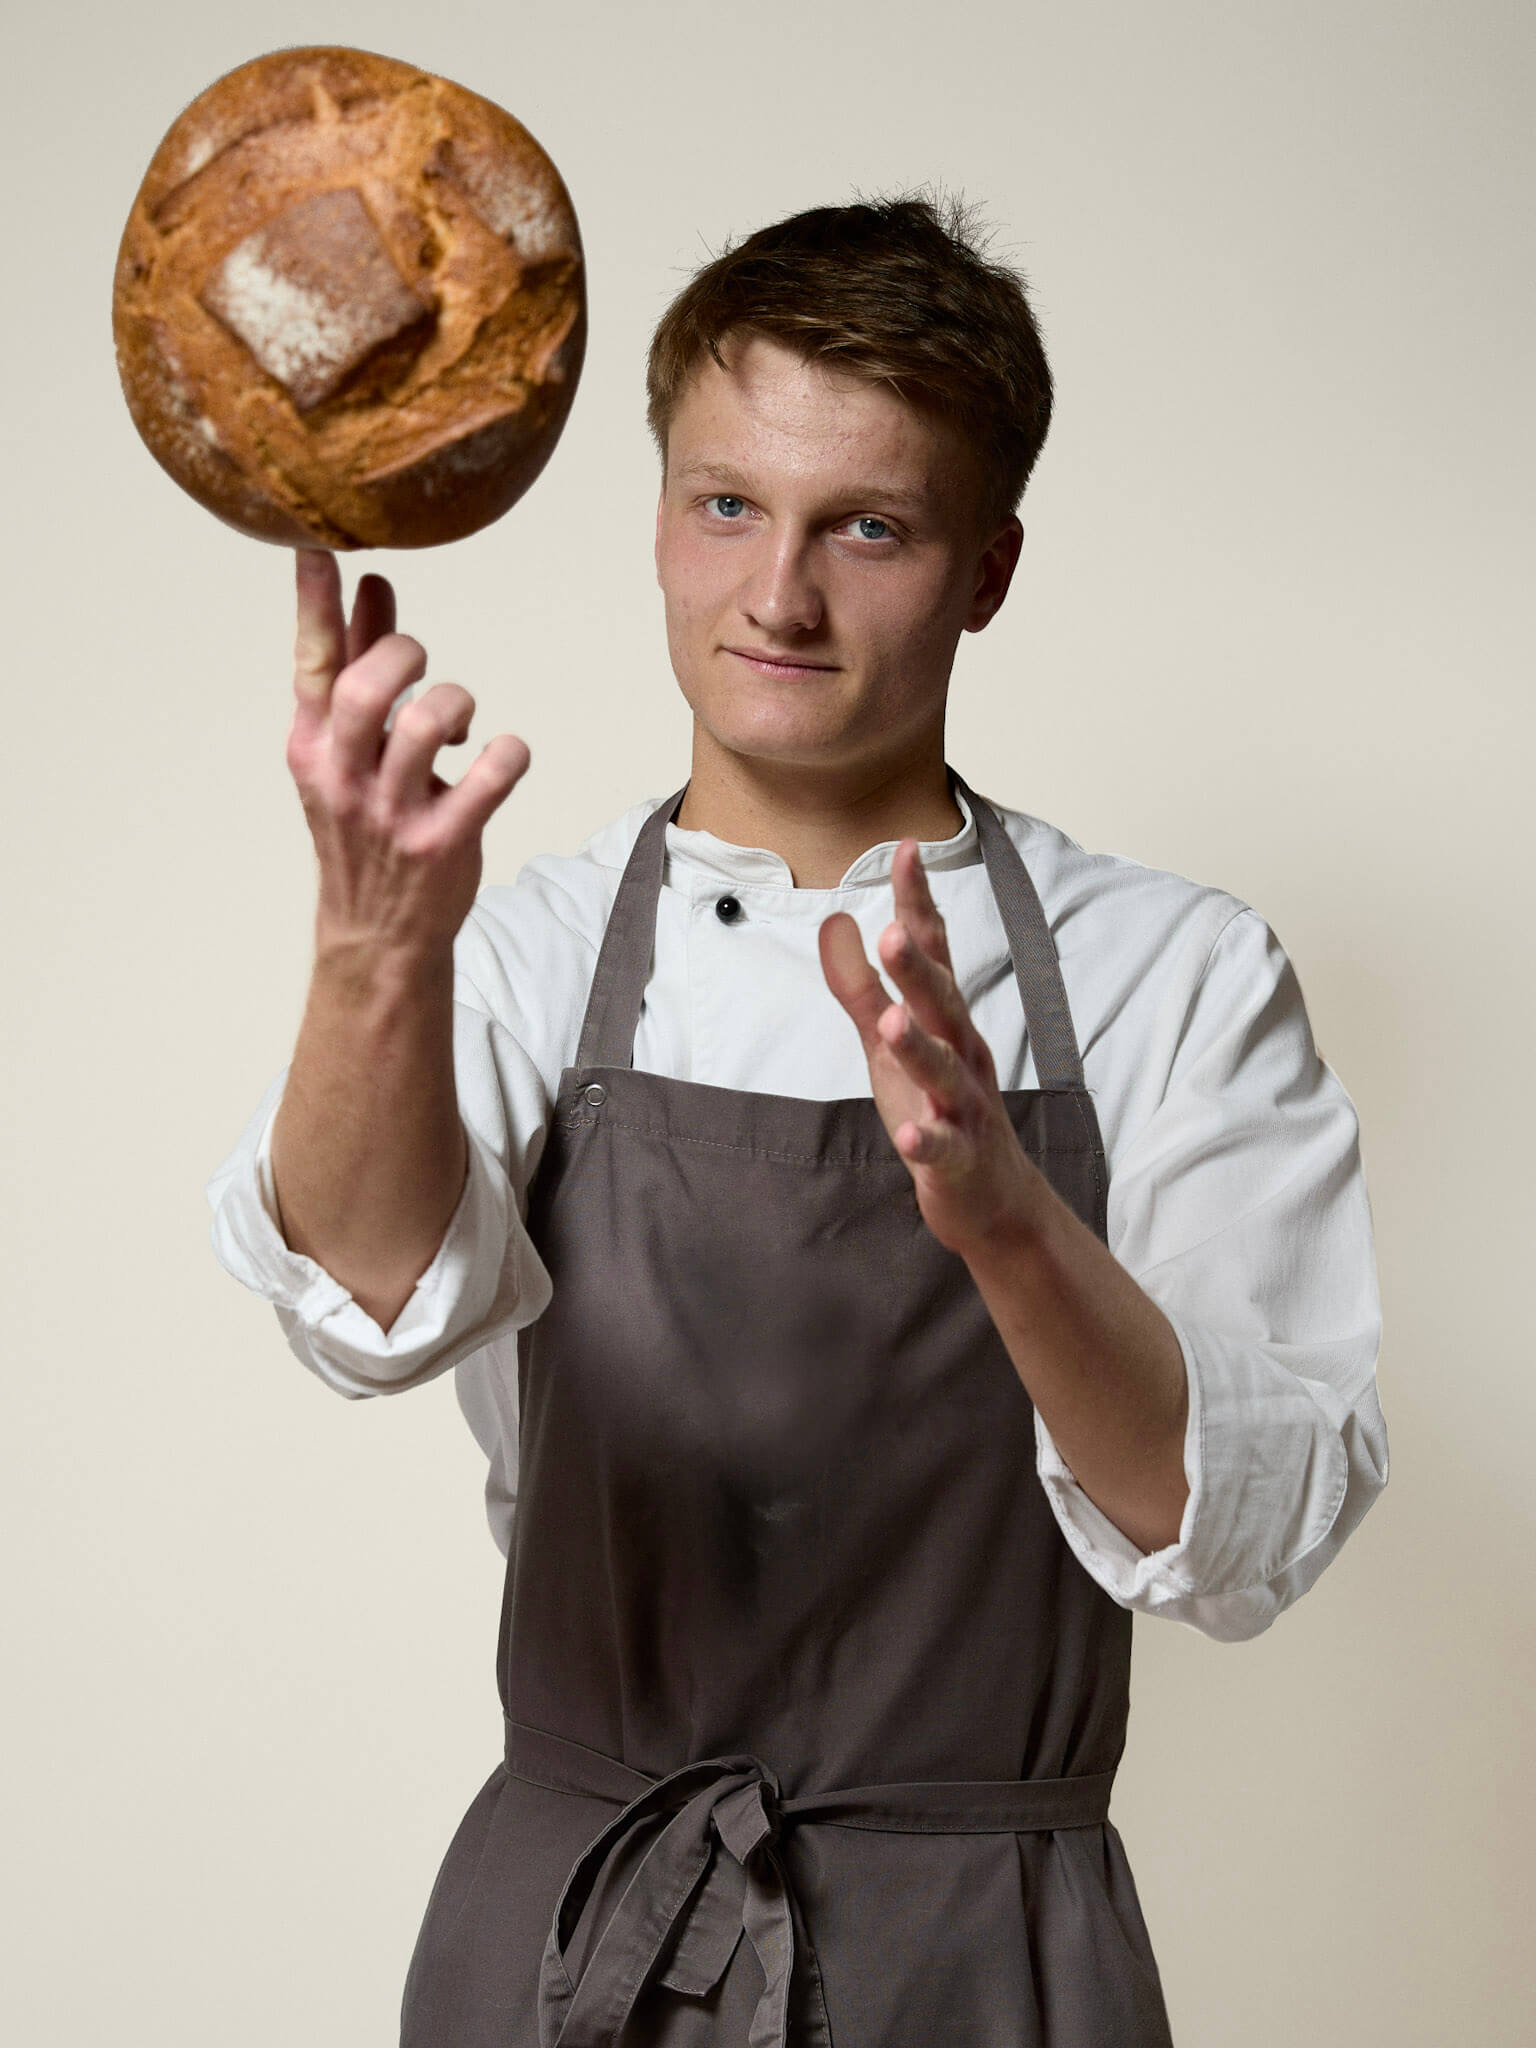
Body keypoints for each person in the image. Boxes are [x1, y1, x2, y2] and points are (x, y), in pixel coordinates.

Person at [206, 196, 1388, 2046]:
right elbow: (367, 1308)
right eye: (727, 504)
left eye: (872, 526)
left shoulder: (1172, 971)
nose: (779, 594)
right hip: (574, 1938)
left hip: (987, 1952)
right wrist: (371, 944)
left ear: (987, 569)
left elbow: (1238, 1535)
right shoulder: (524, 946)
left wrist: (1004, 1216)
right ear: (660, 522)